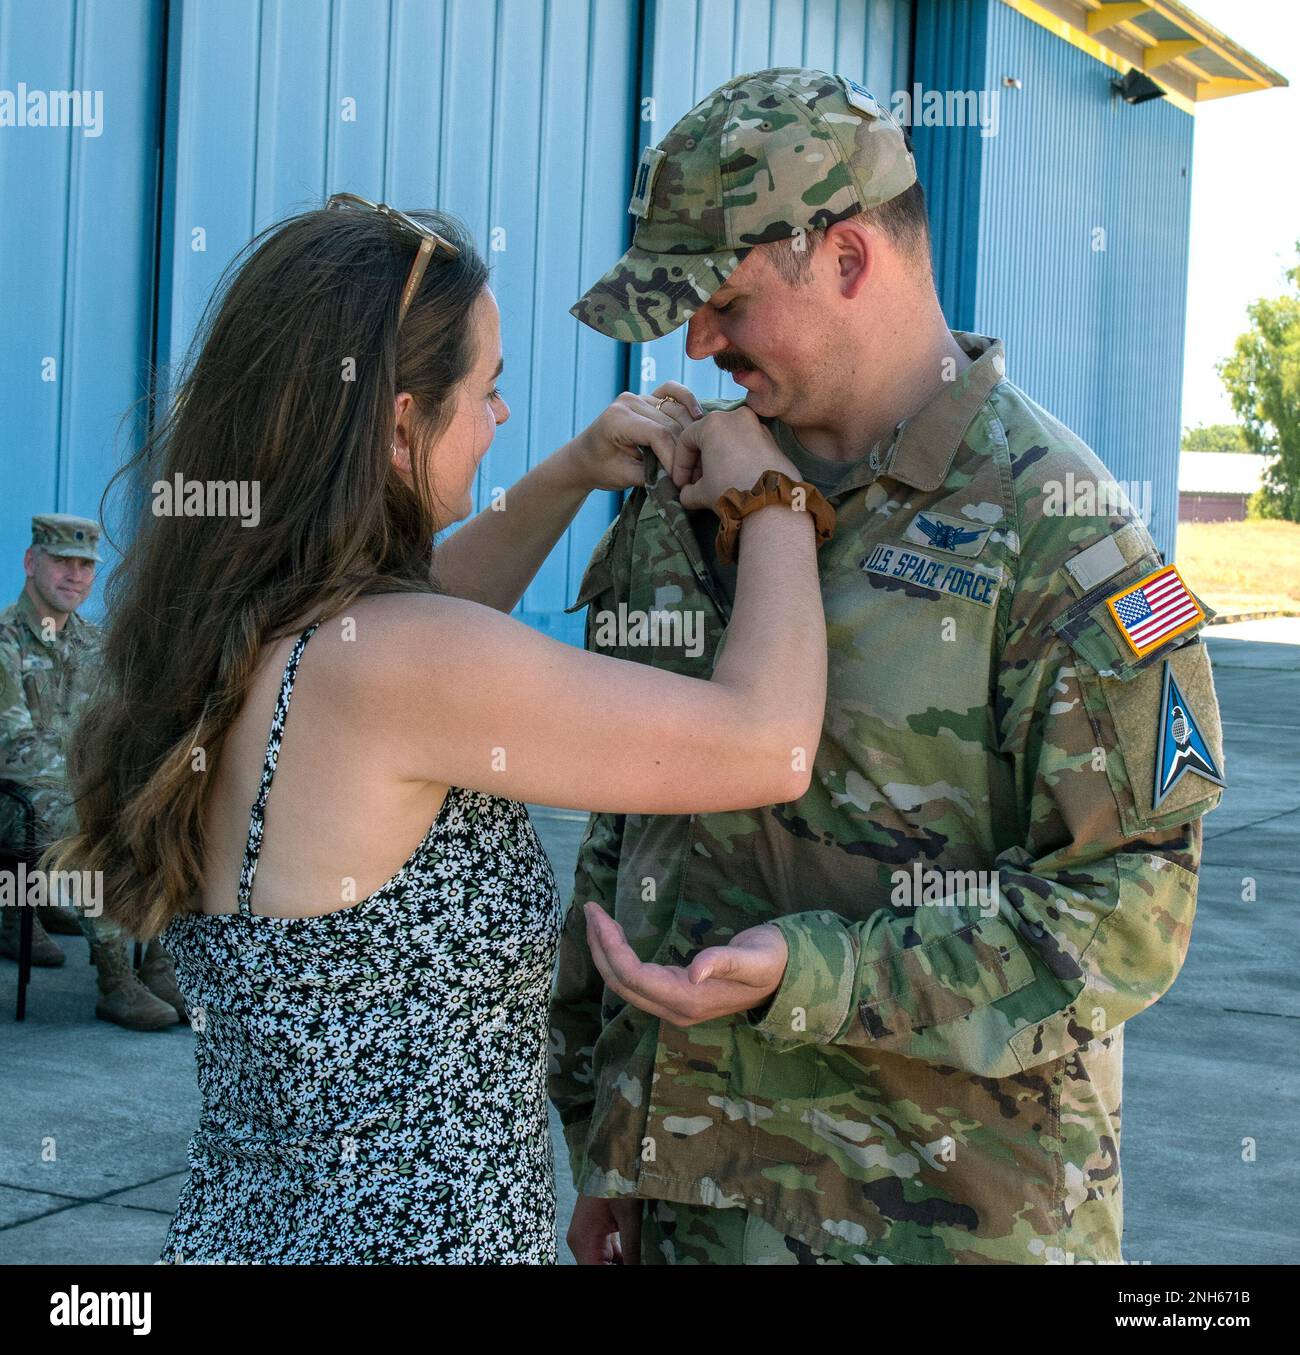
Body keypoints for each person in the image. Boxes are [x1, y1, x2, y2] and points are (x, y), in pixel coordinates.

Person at [46, 194, 829, 1263]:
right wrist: (773, 498)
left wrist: (568, 472)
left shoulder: (262, 632)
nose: (503, 416)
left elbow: (425, 619)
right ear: (398, 421)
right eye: (488, 386)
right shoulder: (400, 666)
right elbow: (766, 742)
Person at [551, 67, 1226, 1266]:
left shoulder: (1061, 536)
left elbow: (1130, 916)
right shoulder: (690, 490)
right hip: (690, 1206)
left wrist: (815, 972)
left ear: (849, 259)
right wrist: (610, 1137)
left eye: (725, 299)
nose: (696, 342)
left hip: (935, 1222)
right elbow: (632, 825)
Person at [0, 514, 182, 1029]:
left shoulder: (94, 644)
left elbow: (120, 730)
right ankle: (115, 980)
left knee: (159, 807)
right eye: (62, 562)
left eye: (85, 565)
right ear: (32, 562)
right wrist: (94, 787)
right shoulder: (6, 642)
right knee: (86, 824)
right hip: (12, 797)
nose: (75, 575)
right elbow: (12, 750)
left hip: (65, 793)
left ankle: (162, 967)